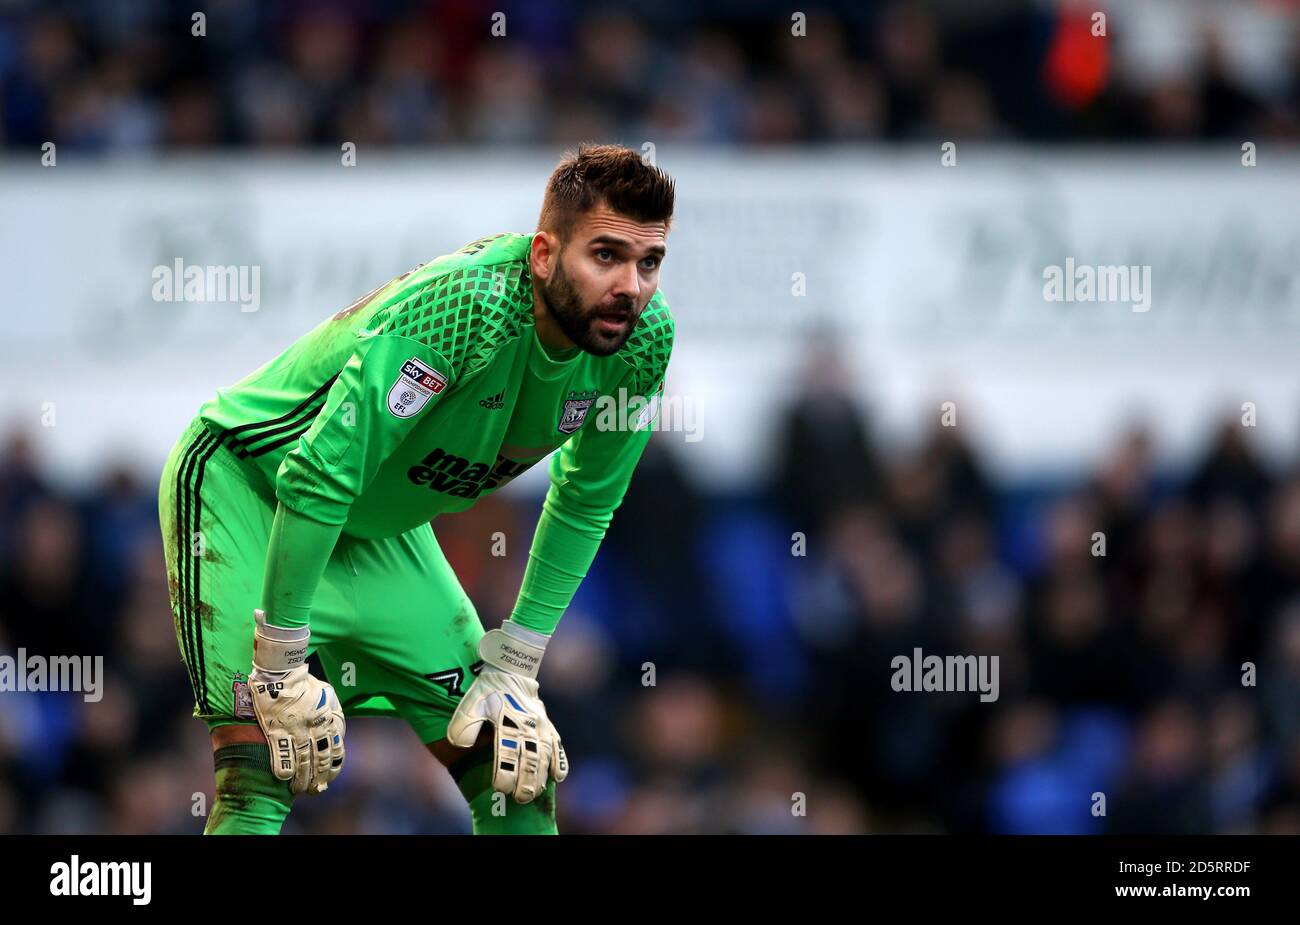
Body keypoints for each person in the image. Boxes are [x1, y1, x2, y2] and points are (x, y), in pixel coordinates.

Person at [156, 143, 676, 834]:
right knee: (263, 769)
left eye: (649, 262)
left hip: (376, 529)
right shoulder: (466, 308)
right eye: (605, 255)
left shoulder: (643, 343)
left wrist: (518, 660)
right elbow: (319, 472)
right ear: (545, 254)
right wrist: (279, 659)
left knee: (513, 773)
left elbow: (586, 497)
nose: (631, 286)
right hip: (246, 488)